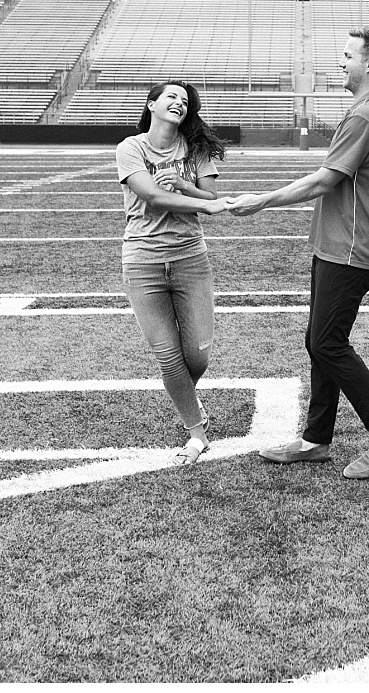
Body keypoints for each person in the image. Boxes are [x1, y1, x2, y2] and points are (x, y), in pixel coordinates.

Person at [228, 27, 369, 480]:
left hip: (350, 250)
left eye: (347, 55)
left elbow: (322, 181)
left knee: (326, 343)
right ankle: (316, 439)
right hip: (337, 246)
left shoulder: (366, 116)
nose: (341, 62)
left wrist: (262, 200)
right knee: (320, 342)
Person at [116, 81, 230, 465]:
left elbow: (210, 196)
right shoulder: (131, 148)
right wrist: (200, 203)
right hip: (143, 261)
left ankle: (183, 391)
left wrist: (185, 184)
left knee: (197, 356)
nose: (179, 103)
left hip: (190, 259)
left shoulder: (194, 150)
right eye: (171, 97)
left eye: (185, 101)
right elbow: (151, 195)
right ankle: (196, 433)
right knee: (168, 356)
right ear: (151, 104)